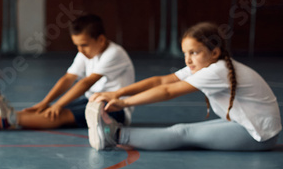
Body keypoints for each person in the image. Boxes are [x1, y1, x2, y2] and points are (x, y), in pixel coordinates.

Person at [86, 22, 280, 151]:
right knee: (184, 130)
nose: (188, 60)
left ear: (214, 53)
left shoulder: (218, 70)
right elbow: (161, 81)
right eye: (185, 53)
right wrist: (117, 93)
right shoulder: (205, 65)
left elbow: (167, 91)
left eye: (194, 52)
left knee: (183, 132)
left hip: (257, 135)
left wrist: (123, 103)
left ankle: (116, 136)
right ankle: (117, 133)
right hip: (246, 126)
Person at [0, 14, 135, 131]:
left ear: (100, 40)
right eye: (76, 45)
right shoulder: (86, 52)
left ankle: (7, 119)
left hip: (115, 109)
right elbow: (68, 78)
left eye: (84, 45)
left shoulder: (114, 53)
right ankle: (0, 113)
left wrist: (58, 104)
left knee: (58, 114)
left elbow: (85, 83)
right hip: (92, 100)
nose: (80, 50)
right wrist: (46, 102)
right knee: (49, 109)